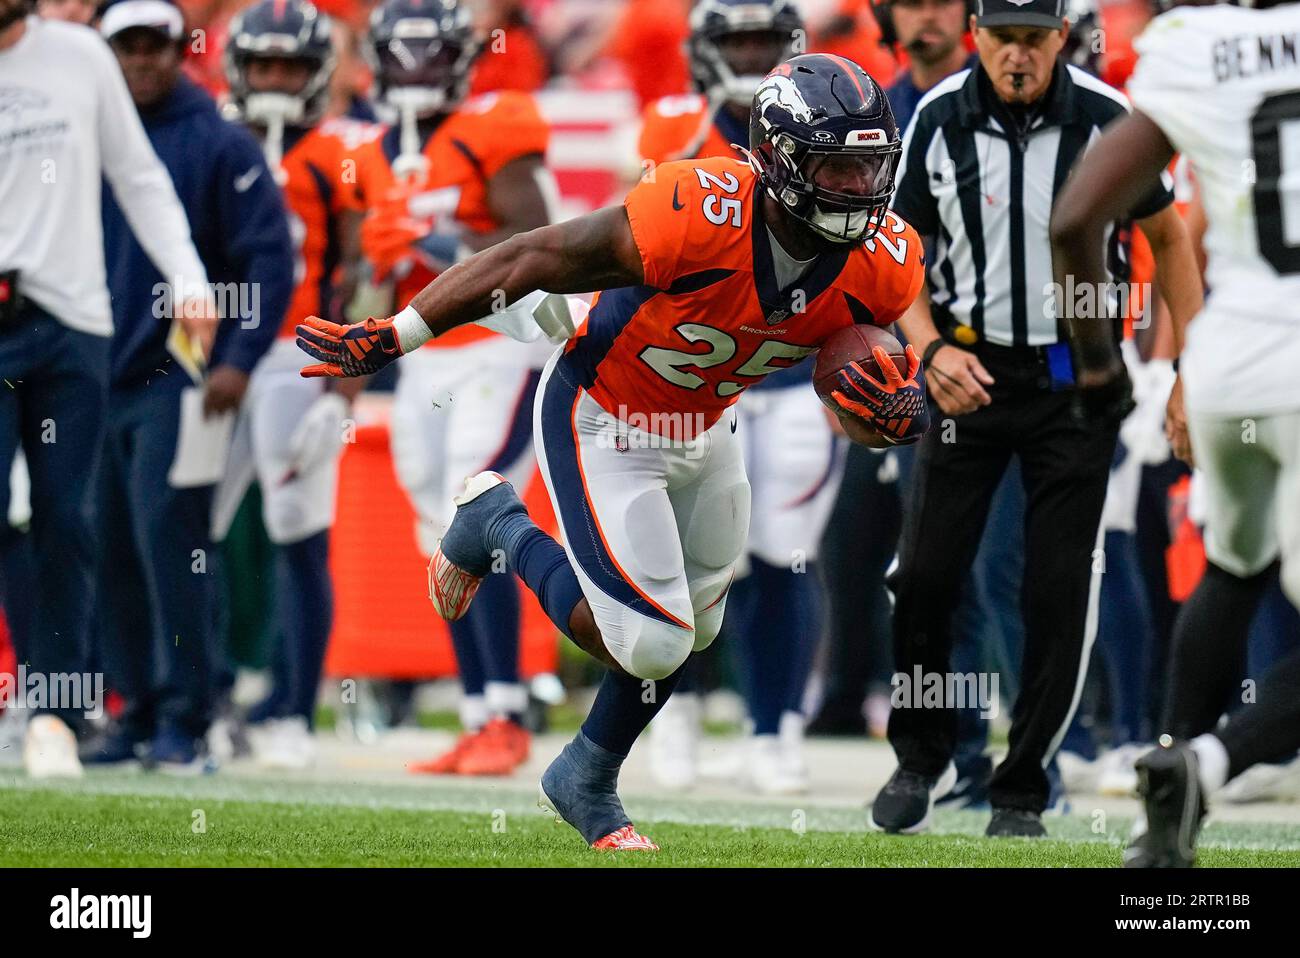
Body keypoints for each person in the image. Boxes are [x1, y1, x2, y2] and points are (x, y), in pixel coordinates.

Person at [298, 53, 928, 850]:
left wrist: (890, 415)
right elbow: (532, 257)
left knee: (692, 634)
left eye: (870, 166)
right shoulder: (699, 208)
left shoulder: (884, 266)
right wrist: (395, 334)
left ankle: (583, 774)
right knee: (653, 639)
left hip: (706, 422)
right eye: (836, 167)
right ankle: (497, 522)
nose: (856, 187)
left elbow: (849, 408)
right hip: (603, 411)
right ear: (778, 159)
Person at [869, 0, 1202, 837]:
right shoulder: (939, 117)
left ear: (1062, 36)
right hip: (969, 373)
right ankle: (923, 752)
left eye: (1033, 38)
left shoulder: (1106, 117)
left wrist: (1184, 372)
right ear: (976, 33)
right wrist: (930, 350)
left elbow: (1168, 240)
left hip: (1077, 379)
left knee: (1054, 590)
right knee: (925, 577)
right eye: (1002, 37)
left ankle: (1023, 788)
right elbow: (897, 251)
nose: (1017, 56)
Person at [1050, 0, 1300, 868]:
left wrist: (1095, 363)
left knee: (1234, 568)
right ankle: (1206, 759)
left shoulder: (1195, 47)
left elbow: (1074, 217)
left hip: (1228, 356)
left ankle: (1166, 800)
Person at [0, 0, 216, 777]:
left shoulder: (80, 57)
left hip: (70, 319)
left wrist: (188, 278)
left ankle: (56, 713)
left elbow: (137, 174)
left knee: (69, 518)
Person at [350, 0, 565, 776]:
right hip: (424, 361)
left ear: (461, 60)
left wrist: (435, 241)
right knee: (440, 533)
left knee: (476, 508)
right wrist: (369, 275)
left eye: (428, 55)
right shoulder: (375, 152)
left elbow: (538, 245)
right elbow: (366, 299)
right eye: (400, 58)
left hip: (501, 354)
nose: (414, 75)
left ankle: (507, 711)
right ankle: (480, 714)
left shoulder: (494, 124)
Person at [636, 0, 837, 797]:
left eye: (765, 41)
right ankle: (672, 716)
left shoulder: (828, 120)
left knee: (784, 556)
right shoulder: (673, 130)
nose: (750, 56)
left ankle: (775, 728)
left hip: (788, 377)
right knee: (685, 562)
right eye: (737, 42)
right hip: (697, 380)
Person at [85, 0, 290, 770]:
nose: (141, 60)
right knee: (107, 548)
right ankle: (134, 709)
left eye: (154, 45)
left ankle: (189, 714)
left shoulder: (217, 141)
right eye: (126, 46)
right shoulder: (85, 140)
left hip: (184, 377)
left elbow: (268, 260)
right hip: (94, 376)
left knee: (172, 547)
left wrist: (236, 358)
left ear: (179, 49)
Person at [212, 0, 369, 769]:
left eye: (291, 67)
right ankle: (202, 700)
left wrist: (346, 386)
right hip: (209, 356)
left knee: (299, 534)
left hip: (299, 357)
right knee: (191, 533)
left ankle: (291, 713)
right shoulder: (212, 137)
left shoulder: (343, 152)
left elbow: (363, 274)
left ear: (317, 75)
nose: (275, 81)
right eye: (263, 65)